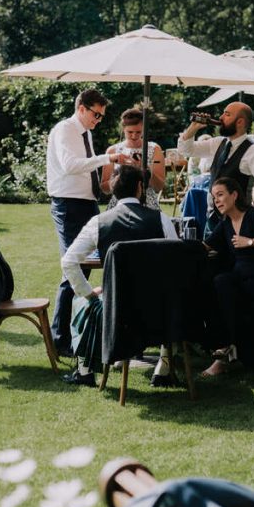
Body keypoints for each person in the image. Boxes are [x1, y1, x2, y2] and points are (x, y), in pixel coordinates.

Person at [61, 165, 179, 387]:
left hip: (115, 308)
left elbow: (68, 261)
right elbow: (176, 258)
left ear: (113, 190)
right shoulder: (160, 219)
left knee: (80, 301)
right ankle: (163, 367)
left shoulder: (98, 223)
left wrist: (89, 295)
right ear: (140, 187)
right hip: (159, 307)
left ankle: (85, 370)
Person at [46, 89, 133, 357]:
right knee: (74, 266)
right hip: (68, 203)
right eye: (96, 114)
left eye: (101, 116)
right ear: (81, 108)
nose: (98, 120)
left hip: (85, 203)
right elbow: (71, 165)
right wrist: (108, 158)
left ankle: (94, 324)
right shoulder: (65, 129)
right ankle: (59, 337)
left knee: (92, 266)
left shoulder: (86, 133)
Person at [201, 177, 254, 377]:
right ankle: (223, 350)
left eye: (221, 195)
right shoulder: (225, 224)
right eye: (214, 198)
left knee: (222, 288)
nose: (217, 201)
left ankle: (224, 353)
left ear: (234, 195)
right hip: (242, 279)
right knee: (215, 285)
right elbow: (206, 246)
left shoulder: (253, 215)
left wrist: (250, 242)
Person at [177, 102, 254, 227]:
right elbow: (186, 150)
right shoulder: (218, 143)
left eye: (227, 114)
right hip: (212, 217)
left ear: (240, 122)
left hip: (237, 222)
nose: (221, 117)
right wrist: (193, 127)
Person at [101, 108, 165, 210]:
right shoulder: (112, 151)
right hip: (119, 204)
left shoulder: (154, 149)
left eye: (138, 132)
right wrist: (120, 178)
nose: (134, 136)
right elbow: (104, 189)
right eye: (130, 132)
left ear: (144, 129)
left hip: (147, 204)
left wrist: (146, 170)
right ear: (123, 129)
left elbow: (159, 187)